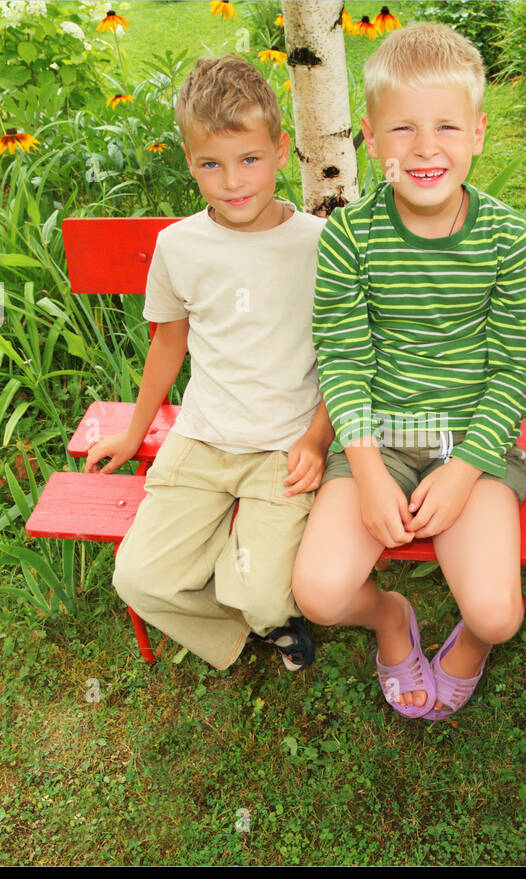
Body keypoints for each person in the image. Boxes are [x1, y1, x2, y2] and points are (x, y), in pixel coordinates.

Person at [291, 22, 526, 720]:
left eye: (446, 127)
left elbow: (519, 361)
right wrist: (367, 471)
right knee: (317, 591)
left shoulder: (504, 235)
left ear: (479, 134)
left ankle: (469, 646)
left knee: (498, 613)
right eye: (401, 129)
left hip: (476, 443)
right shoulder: (350, 236)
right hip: (377, 438)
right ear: (370, 141)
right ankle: (391, 617)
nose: (425, 149)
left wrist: (466, 468)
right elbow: (343, 356)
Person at [87, 56, 331, 672]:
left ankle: (257, 601)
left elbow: (347, 354)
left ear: (281, 150)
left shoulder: (319, 243)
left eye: (248, 159)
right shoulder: (179, 245)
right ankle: (238, 629)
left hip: (284, 444)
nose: (232, 181)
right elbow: (167, 343)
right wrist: (135, 431)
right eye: (210, 165)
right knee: (139, 580)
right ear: (189, 162)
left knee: (262, 593)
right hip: (202, 436)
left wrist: (317, 436)